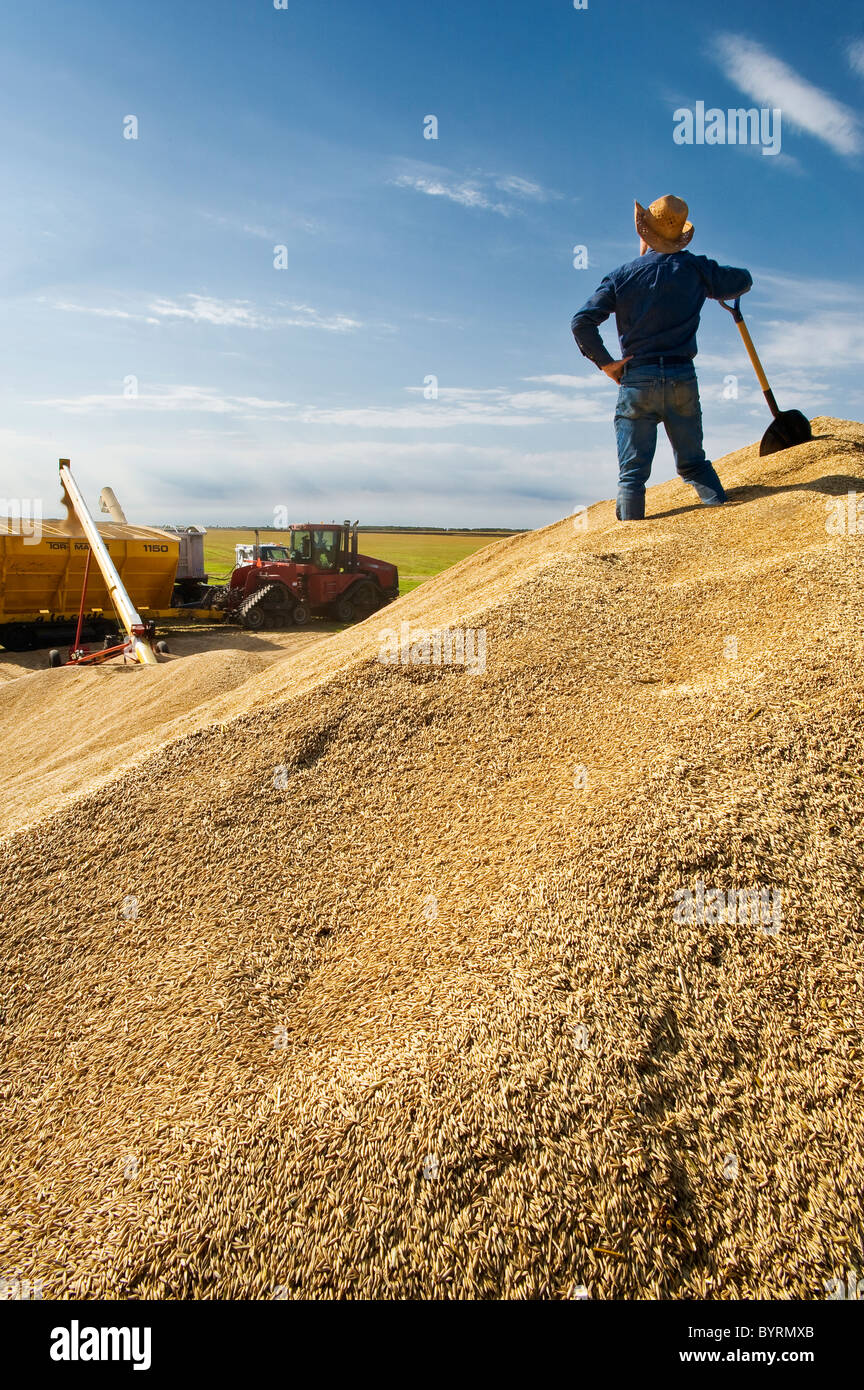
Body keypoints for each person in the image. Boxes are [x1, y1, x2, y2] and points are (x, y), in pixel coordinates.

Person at [571, 194, 753, 521]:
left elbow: (581, 322)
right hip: (682, 378)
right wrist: (708, 276)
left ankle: (629, 547)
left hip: (637, 380)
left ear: (643, 234)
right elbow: (742, 280)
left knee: (632, 475)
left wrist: (607, 364)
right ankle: (725, 527)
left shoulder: (621, 276)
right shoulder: (696, 268)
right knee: (695, 464)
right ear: (678, 236)